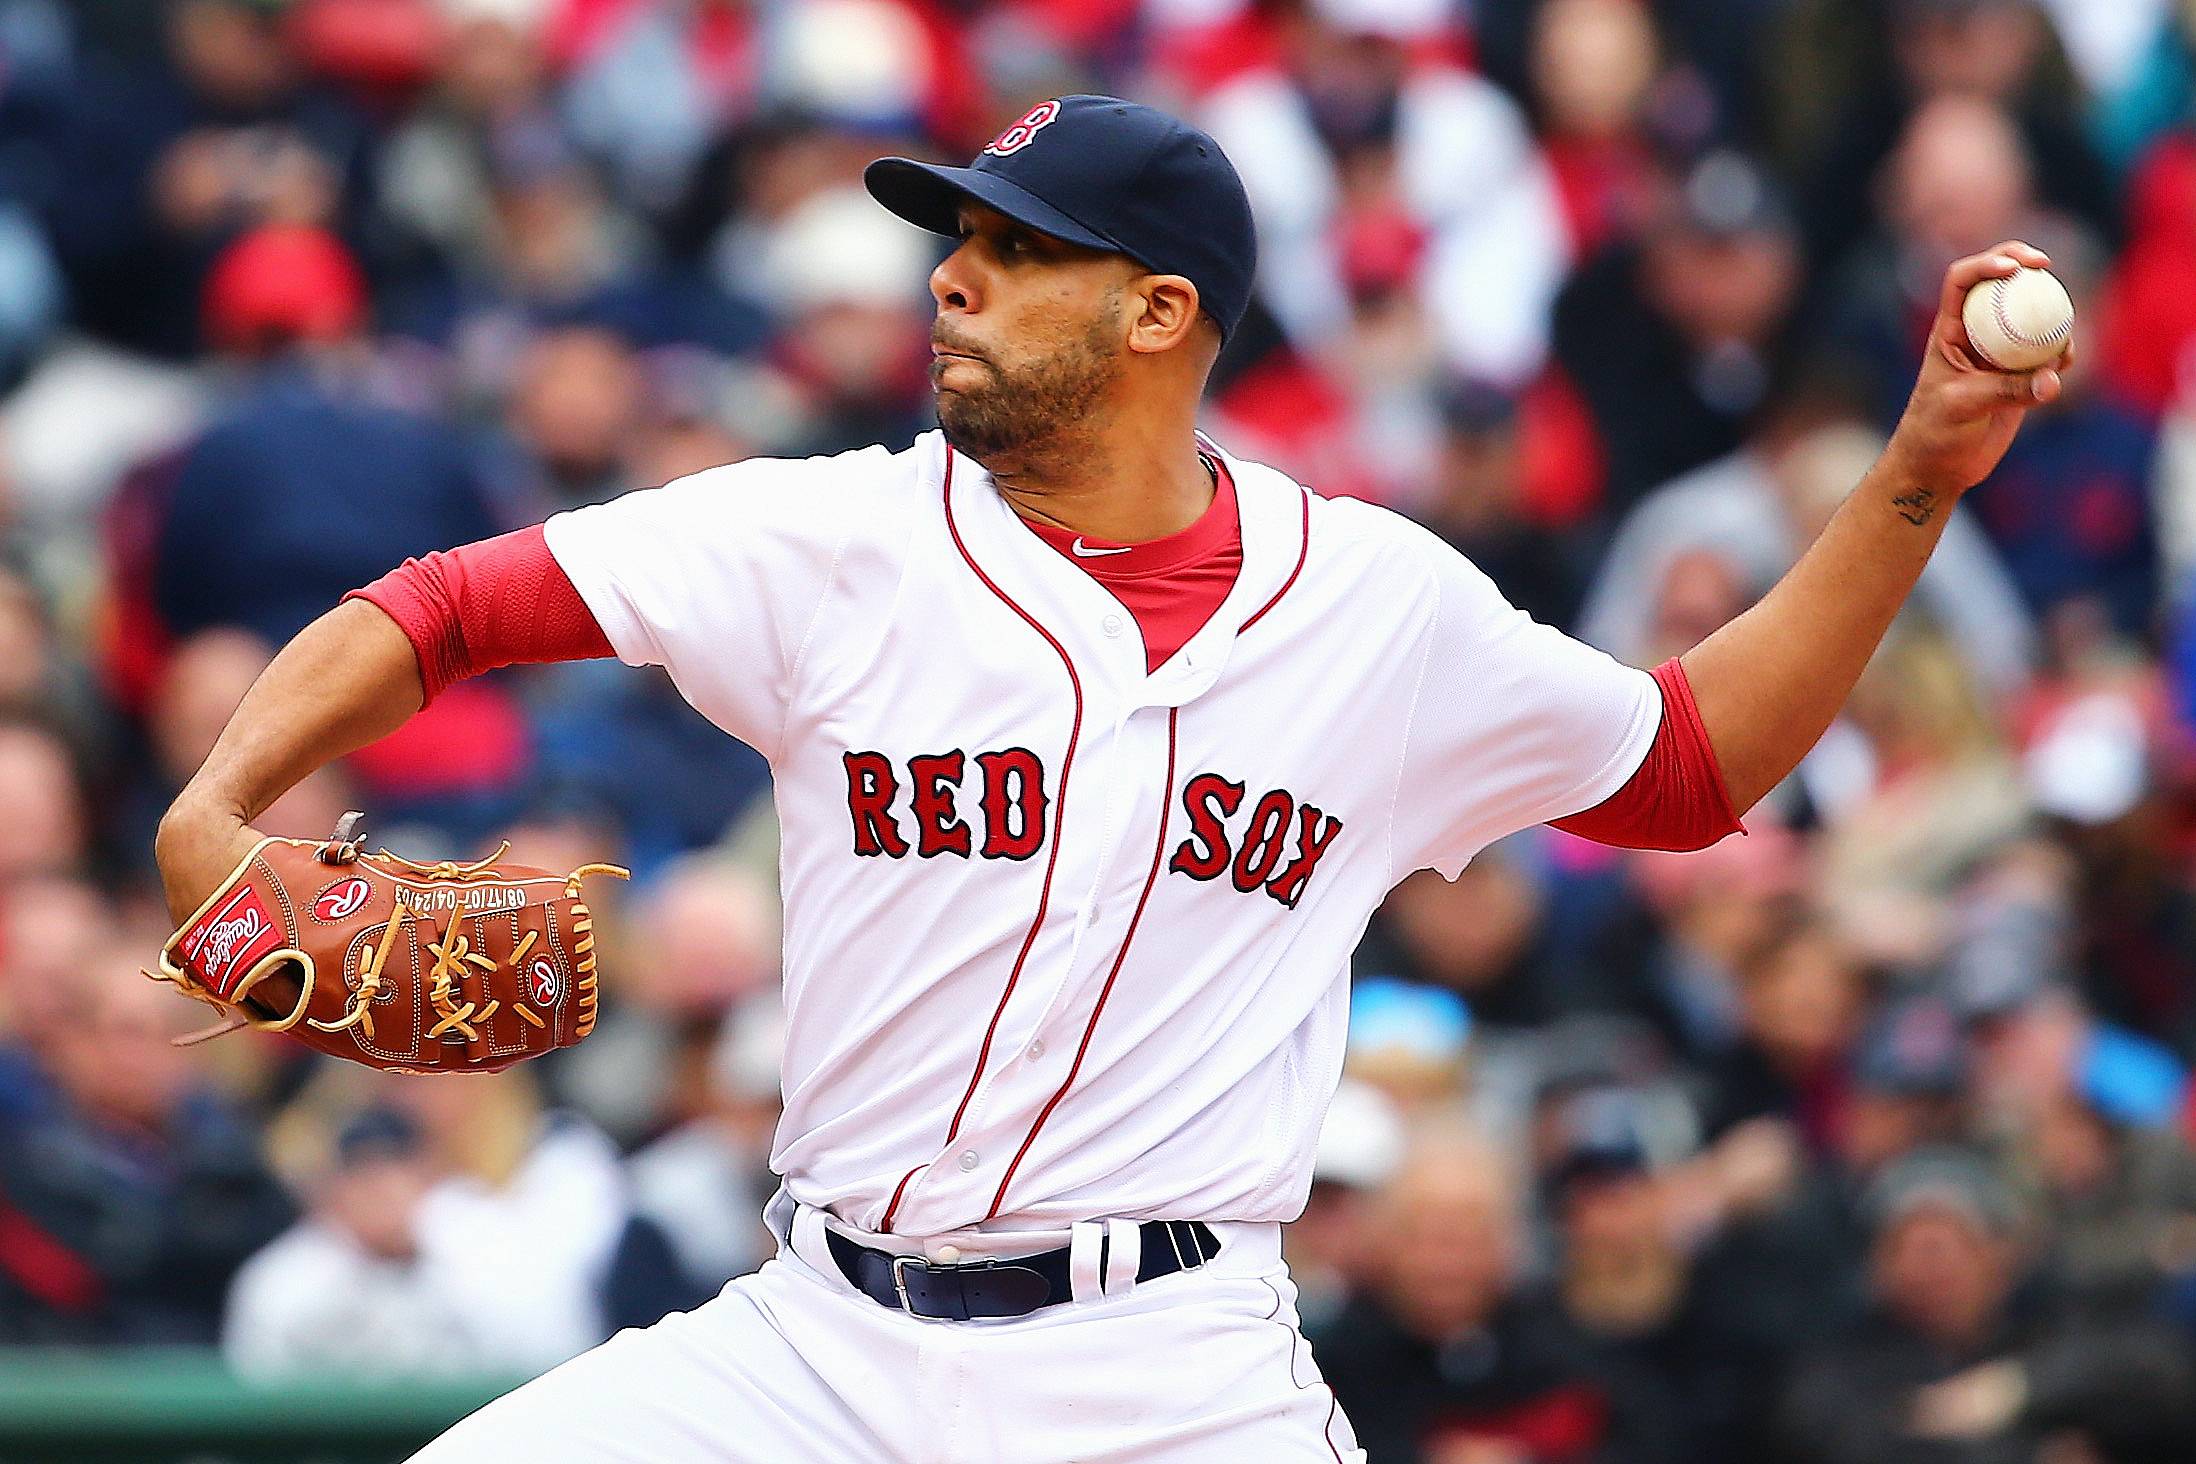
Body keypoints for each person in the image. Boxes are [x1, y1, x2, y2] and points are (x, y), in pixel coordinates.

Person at [150, 91, 2072, 1462]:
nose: (954, 282)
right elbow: (445, 606)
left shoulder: (1377, 610)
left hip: (1167, 1372)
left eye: (1013, 248)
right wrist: (216, 806)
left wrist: (1909, 481)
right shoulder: (836, 538)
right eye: (955, 244)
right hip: (814, 1347)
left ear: (1162, 314)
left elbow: (1685, 763)